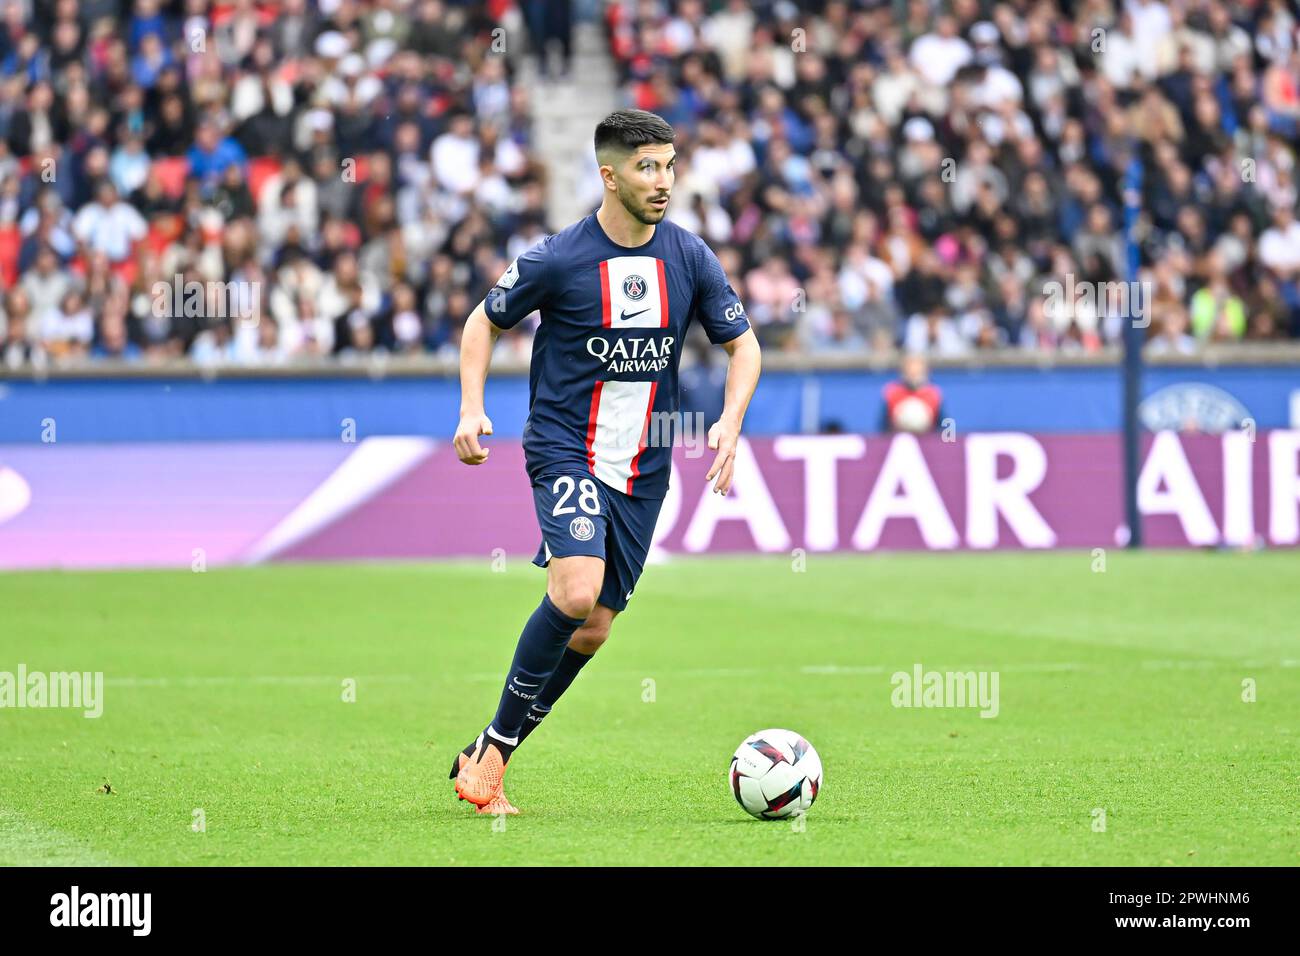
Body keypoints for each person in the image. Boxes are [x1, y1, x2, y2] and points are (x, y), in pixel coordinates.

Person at [450, 109, 762, 813]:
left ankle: (490, 745)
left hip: (644, 470)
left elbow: (746, 346)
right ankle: (495, 757)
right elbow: (482, 322)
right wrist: (471, 409)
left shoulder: (688, 256)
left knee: (593, 627)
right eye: (648, 167)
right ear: (609, 174)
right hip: (565, 448)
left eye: (671, 165)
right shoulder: (558, 258)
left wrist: (730, 423)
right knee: (574, 591)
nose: (663, 181)